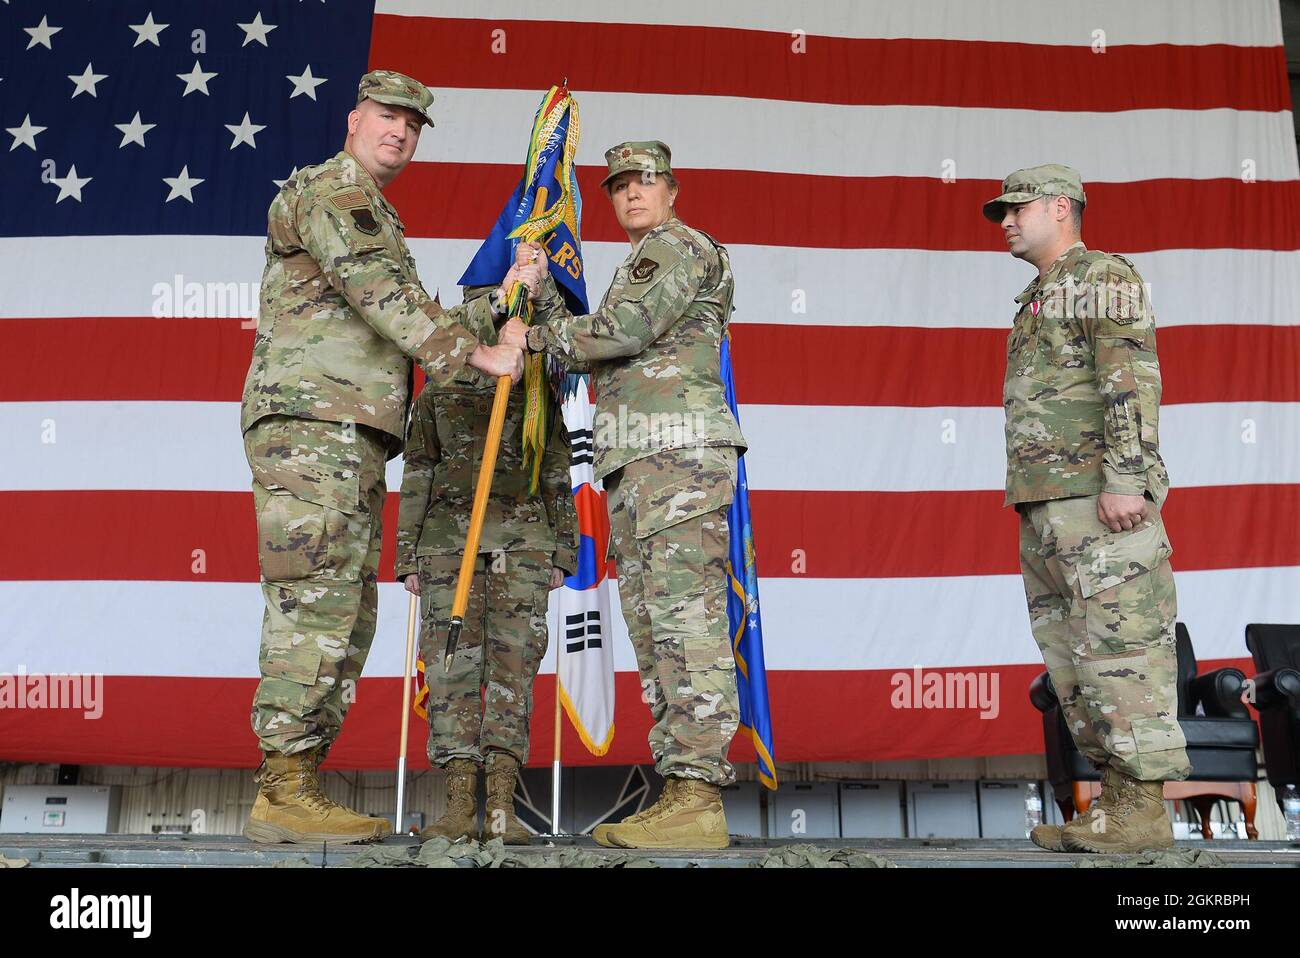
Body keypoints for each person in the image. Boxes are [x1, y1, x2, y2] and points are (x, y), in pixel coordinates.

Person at [240, 70, 529, 844]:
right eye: (386, 117)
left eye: (411, 125)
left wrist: (498, 304)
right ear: (354, 118)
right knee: (316, 600)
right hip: (314, 422)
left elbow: (407, 304)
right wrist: (479, 355)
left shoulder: (373, 208)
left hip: (348, 429)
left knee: (344, 604)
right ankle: (283, 787)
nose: (398, 133)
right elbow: (383, 299)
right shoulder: (335, 191)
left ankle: (295, 782)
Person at [501, 141, 746, 849]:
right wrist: (543, 289)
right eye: (620, 186)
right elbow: (616, 334)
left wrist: (532, 339)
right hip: (642, 460)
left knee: (684, 621)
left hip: (678, 457)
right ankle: (681, 790)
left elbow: (620, 333)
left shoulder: (675, 247)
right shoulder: (640, 262)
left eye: (647, 181)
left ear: (673, 188)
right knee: (655, 623)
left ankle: (699, 795)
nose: (632, 194)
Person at [984, 164, 1189, 854]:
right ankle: (1114, 803)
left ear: (1059, 207)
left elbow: (1129, 379)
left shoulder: (1102, 275)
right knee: (1072, 655)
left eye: (1016, 209)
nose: (1006, 222)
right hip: (1047, 502)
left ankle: (1143, 809)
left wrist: (1127, 477)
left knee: (1121, 645)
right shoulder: (1040, 294)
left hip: (1100, 500)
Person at [396, 284, 576, 845]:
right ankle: (456, 805)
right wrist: (408, 554)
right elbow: (418, 471)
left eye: (512, 316)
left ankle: (500, 805)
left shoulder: (538, 393)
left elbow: (557, 474)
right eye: (495, 313)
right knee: (450, 672)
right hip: (450, 546)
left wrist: (562, 553)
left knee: (512, 671)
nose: (504, 324)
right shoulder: (438, 391)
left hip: (524, 546)